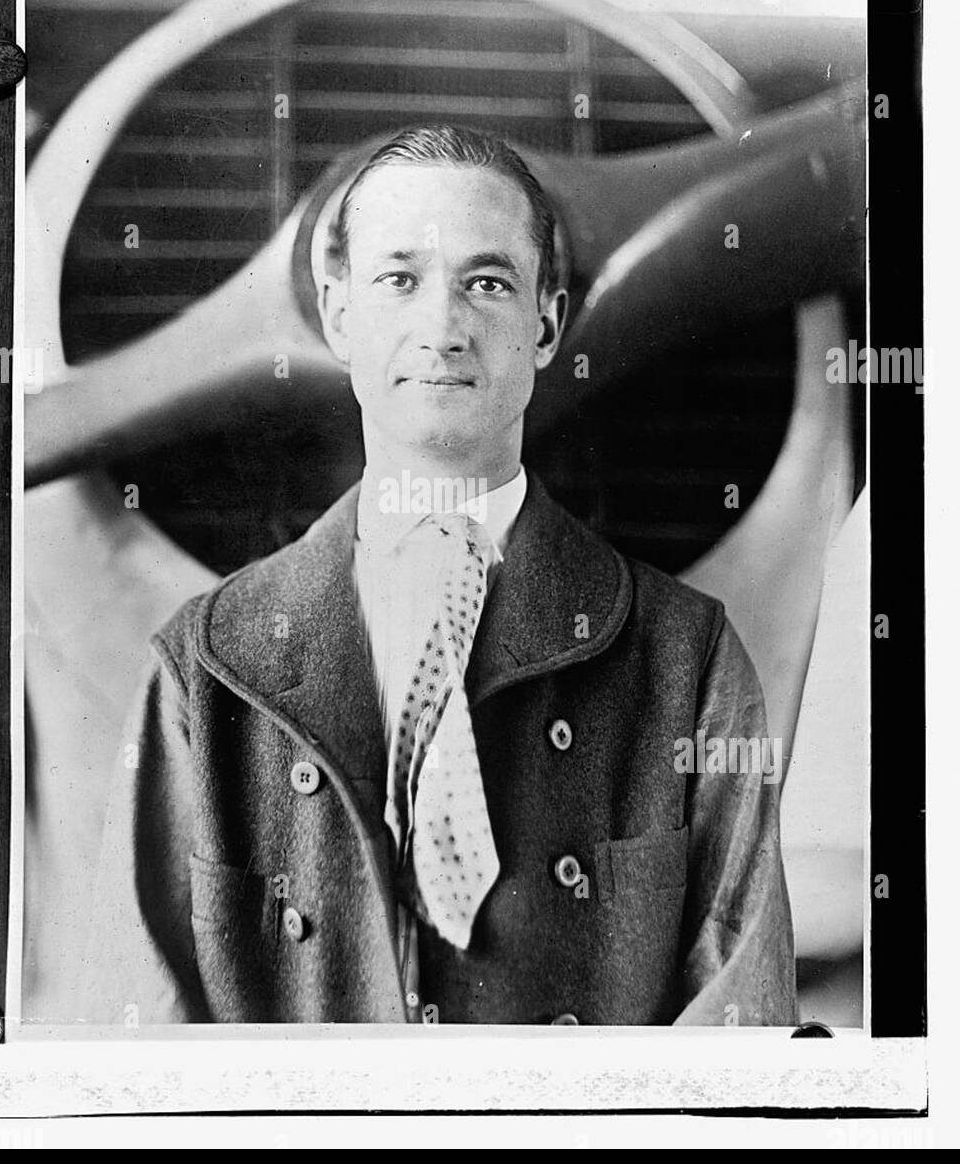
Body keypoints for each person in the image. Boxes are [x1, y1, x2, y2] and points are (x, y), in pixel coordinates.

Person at [81, 123, 797, 1027]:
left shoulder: (688, 661)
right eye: (398, 279)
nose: (443, 327)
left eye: (487, 283)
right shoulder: (199, 668)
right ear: (339, 317)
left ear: (546, 324)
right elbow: (135, 1051)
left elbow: (742, 1046)